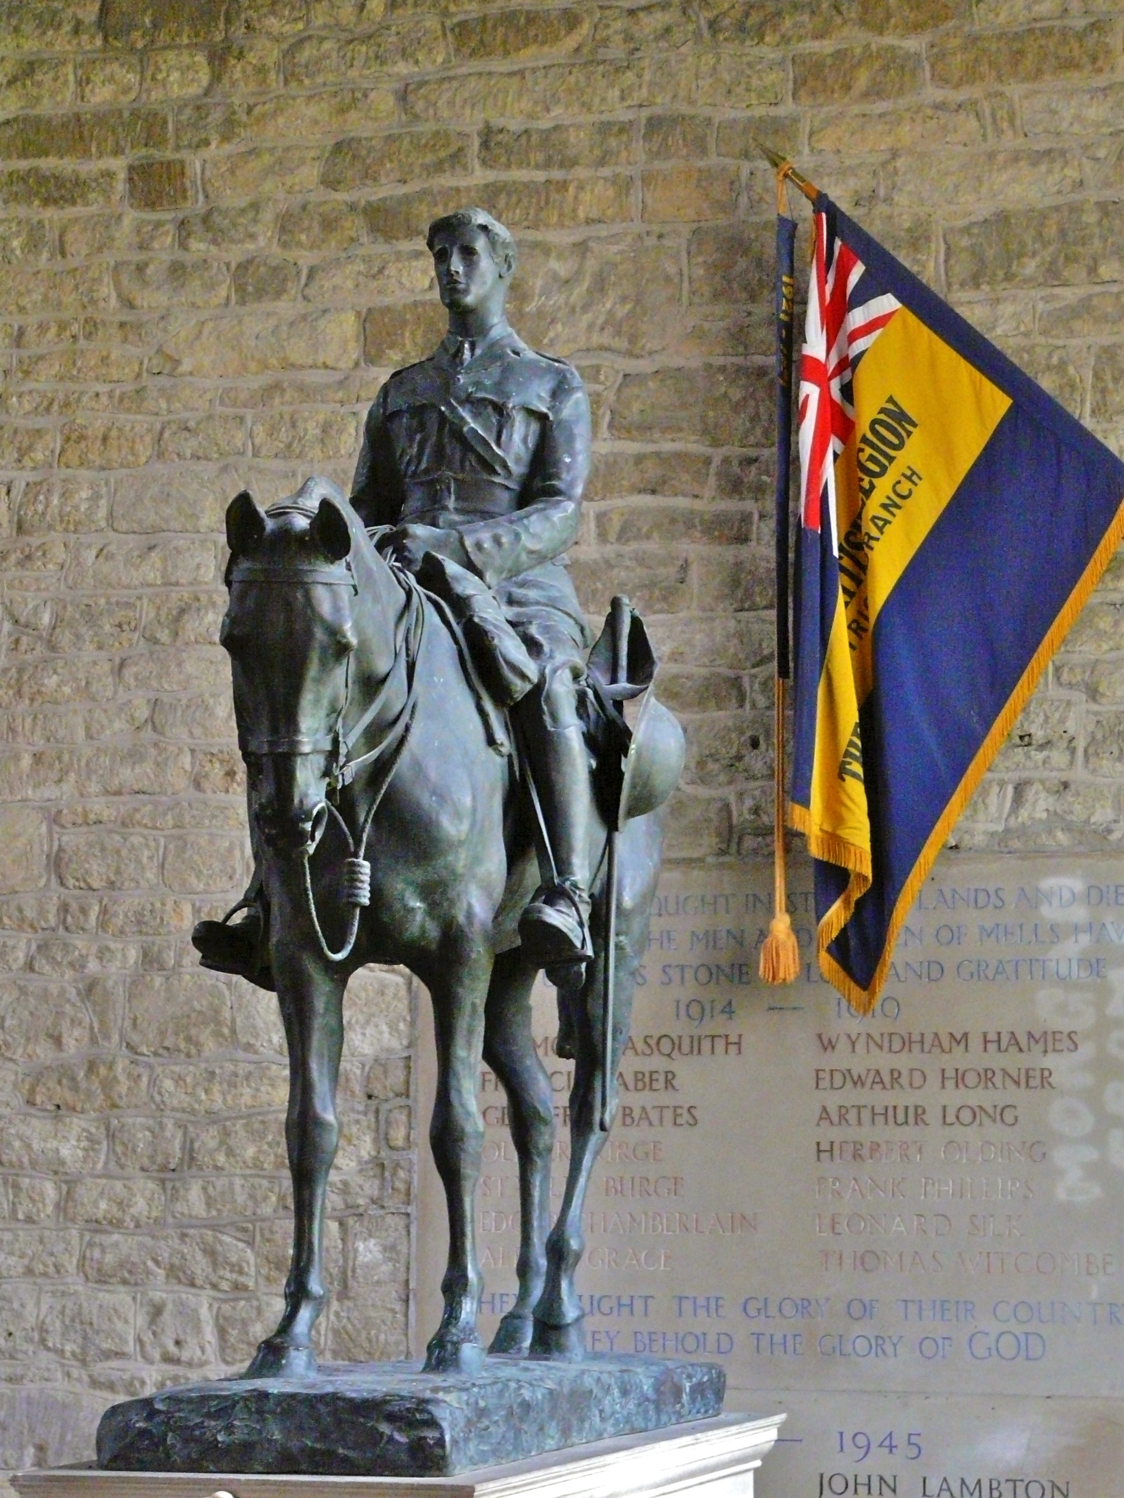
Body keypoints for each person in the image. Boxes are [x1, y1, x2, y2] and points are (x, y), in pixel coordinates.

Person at [194, 206, 596, 980]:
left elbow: (559, 512)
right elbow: (365, 507)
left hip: (514, 587)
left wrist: (458, 548)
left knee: (549, 687)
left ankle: (568, 890)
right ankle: (270, 899)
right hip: (407, 586)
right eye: (441, 254)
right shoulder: (403, 392)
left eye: (469, 254)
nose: (452, 268)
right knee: (301, 692)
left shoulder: (551, 385)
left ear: (502, 266)